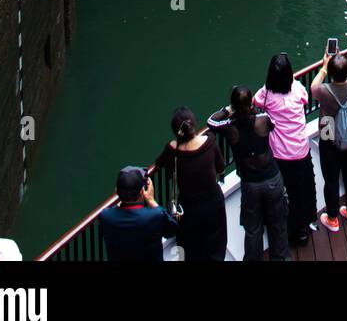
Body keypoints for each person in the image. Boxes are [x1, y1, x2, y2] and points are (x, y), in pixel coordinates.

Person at [208, 86, 291, 261]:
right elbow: (273, 125)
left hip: (250, 184)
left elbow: (211, 122)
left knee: (253, 230)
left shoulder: (230, 127)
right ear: (251, 103)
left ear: (234, 106)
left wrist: (228, 109)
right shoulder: (262, 120)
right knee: (278, 225)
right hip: (272, 179)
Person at [254, 53, 317, 245]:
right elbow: (305, 98)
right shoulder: (297, 90)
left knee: (284, 193)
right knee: (303, 189)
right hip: (300, 149)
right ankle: (303, 228)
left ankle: (284, 229)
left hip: (280, 154)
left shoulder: (266, 95)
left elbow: (256, 101)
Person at [153, 106, 227, 262]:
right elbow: (221, 168)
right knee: (216, 244)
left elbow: (158, 163)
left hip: (188, 207)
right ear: (193, 124)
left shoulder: (172, 149)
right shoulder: (210, 141)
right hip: (213, 202)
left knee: (191, 247)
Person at [311, 50, 347, 233]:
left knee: (331, 177)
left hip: (328, 129)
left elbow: (313, 87)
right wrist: (340, 61)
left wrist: (324, 67)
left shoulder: (324, 90)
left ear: (331, 73)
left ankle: (332, 218)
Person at [99, 166, 180, 262]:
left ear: (116, 191)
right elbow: (172, 231)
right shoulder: (155, 215)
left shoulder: (105, 216)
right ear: (142, 192)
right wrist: (151, 200)